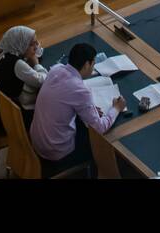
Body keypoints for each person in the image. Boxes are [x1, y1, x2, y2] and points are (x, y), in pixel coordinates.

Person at [29, 42, 123, 175]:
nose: (93, 67)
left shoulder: (56, 69)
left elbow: (62, 99)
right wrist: (116, 108)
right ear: (86, 64)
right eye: (93, 64)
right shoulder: (80, 90)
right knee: (98, 146)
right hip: (57, 152)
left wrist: (87, 108)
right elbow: (100, 128)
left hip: (38, 143)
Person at [0, 26, 49, 127]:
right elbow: (42, 81)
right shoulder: (17, 64)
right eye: (32, 44)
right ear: (20, 45)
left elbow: (37, 52)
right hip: (10, 120)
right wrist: (36, 64)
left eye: (36, 42)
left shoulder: (3, 54)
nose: (36, 47)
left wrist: (32, 53)